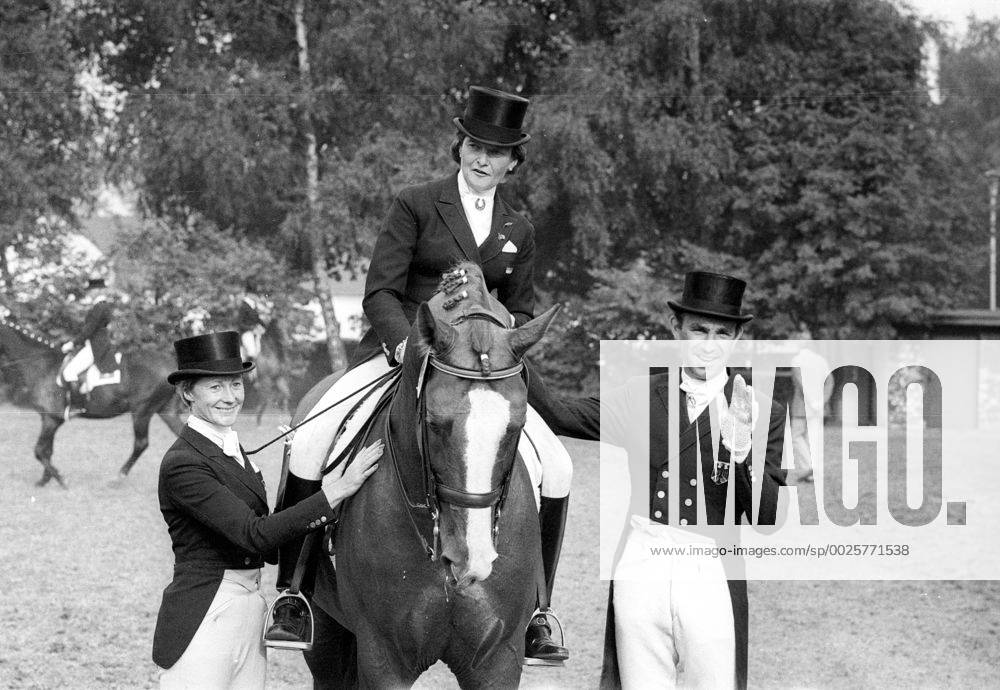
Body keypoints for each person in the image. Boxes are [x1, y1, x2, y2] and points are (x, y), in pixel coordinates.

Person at [282, 85, 572, 666]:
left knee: (557, 465)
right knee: (312, 438)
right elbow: (380, 291)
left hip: (481, 371)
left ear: (513, 162)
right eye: (474, 144)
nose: (482, 157)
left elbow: (520, 305)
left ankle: (538, 608)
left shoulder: (520, 227)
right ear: (460, 146)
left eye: (495, 151)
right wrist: (402, 346)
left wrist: (499, 339)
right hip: (404, 353)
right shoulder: (417, 203)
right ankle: (294, 592)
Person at [526, 271, 788, 689]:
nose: (708, 342)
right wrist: (504, 354)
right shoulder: (643, 395)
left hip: (711, 567)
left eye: (722, 332)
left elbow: (768, 519)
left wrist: (742, 457)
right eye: (698, 328)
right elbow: (560, 413)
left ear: (736, 337)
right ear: (676, 329)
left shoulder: (761, 410)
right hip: (641, 563)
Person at [153, 331, 382, 689]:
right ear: (187, 393)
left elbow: (274, 540)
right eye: (215, 388)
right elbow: (255, 535)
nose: (230, 397)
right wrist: (336, 491)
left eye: (235, 385)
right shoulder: (184, 462)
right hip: (206, 612)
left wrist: (304, 476)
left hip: (251, 609)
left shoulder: (234, 452)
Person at [59, 277, 117, 413]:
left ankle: (77, 407)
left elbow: (89, 329)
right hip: (94, 345)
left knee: (69, 372)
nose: (89, 293)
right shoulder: (101, 306)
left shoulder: (100, 306)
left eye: (91, 290)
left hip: (96, 347)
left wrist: (72, 343)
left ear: (98, 290)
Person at [788, 324, 832, 484]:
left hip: (802, 406)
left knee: (796, 436)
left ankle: (808, 467)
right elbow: (830, 382)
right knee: (813, 438)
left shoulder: (796, 360)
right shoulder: (821, 360)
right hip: (819, 406)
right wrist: (822, 401)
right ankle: (813, 472)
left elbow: (801, 383)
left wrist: (811, 401)